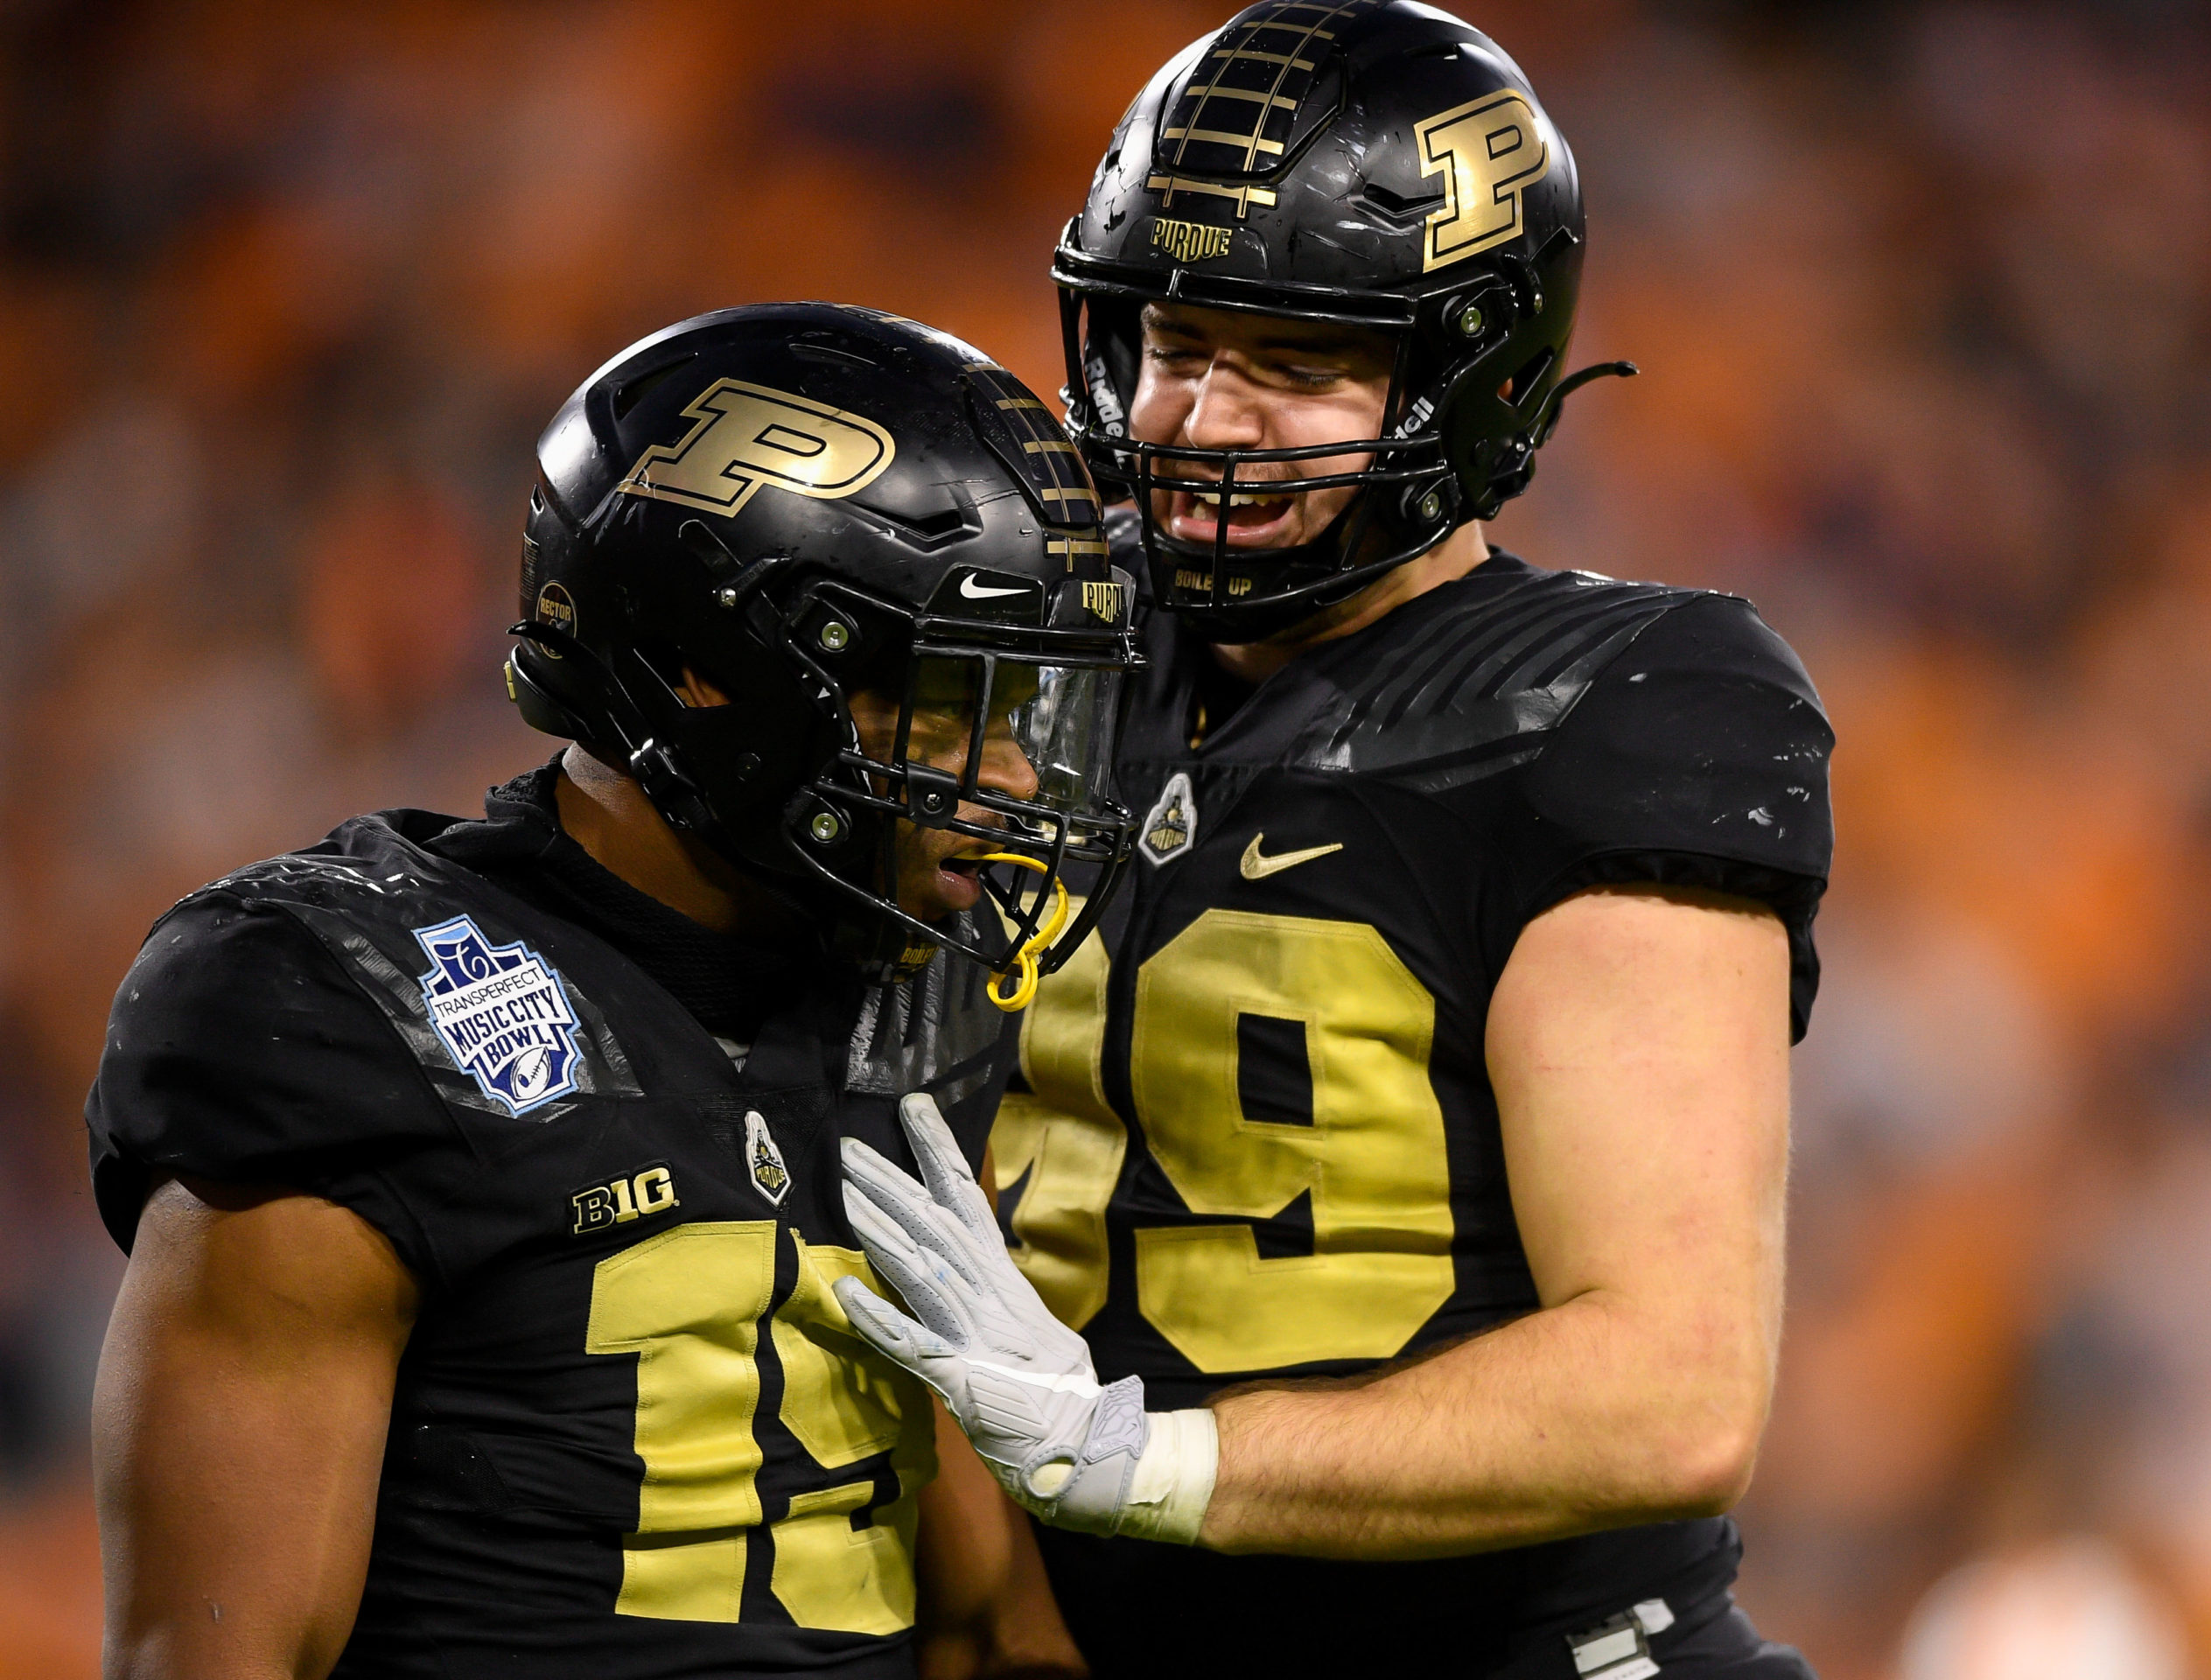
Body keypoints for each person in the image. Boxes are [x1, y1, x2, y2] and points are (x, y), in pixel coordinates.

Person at [830, 6, 1836, 1678]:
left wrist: (1142, 1457)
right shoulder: (1021, 668)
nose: (1207, 419)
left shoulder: (1622, 702)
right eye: (1174, 341)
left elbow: (1669, 1396)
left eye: (1297, 363)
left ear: (1471, 373)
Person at [86, 303, 1141, 1680]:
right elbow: (215, 1659)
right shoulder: (345, 1002)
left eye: (1014, 718)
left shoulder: (919, 1001)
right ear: (708, 674)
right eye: (943, 703)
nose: (1002, 780)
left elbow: (989, 1628)